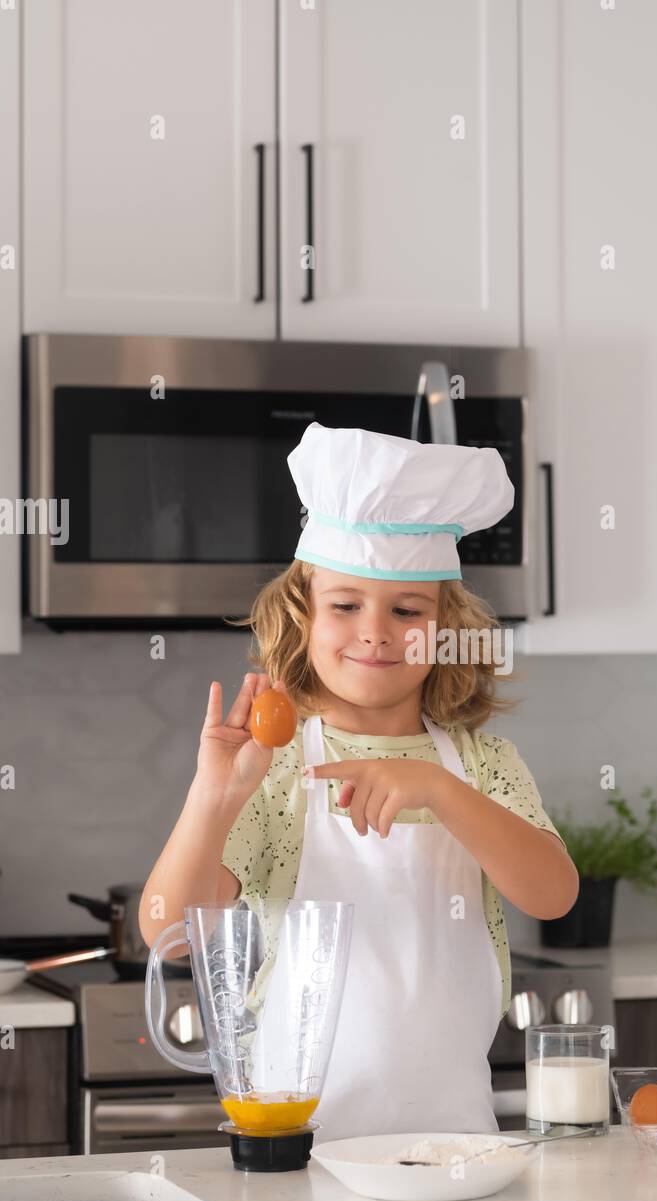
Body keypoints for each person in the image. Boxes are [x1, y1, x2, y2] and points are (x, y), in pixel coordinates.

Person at [140, 422, 579, 1141]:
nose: (375, 632)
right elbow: (171, 932)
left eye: (406, 609)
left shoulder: (482, 765)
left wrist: (438, 789)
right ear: (302, 618)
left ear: (444, 630)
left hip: (455, 1140)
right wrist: (213, 797)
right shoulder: (275, 766)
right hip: (297, 1141)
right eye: (344, 605)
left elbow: (552, 895)